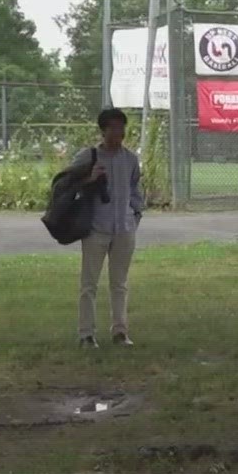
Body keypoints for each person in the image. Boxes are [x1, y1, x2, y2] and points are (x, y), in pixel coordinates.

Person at [69, 107, 144, 349]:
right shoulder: (88, 156)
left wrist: (136, 213)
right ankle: (86, 334)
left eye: (121, 127)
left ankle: (120, 331)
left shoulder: (130, 159)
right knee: (89, 283)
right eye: (113, 127)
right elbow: (67, 185)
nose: (118, 132)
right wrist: (89, 178)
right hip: (96, 228)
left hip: (124, 227)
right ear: (103, 130)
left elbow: (134, 188)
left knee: (119, 283)